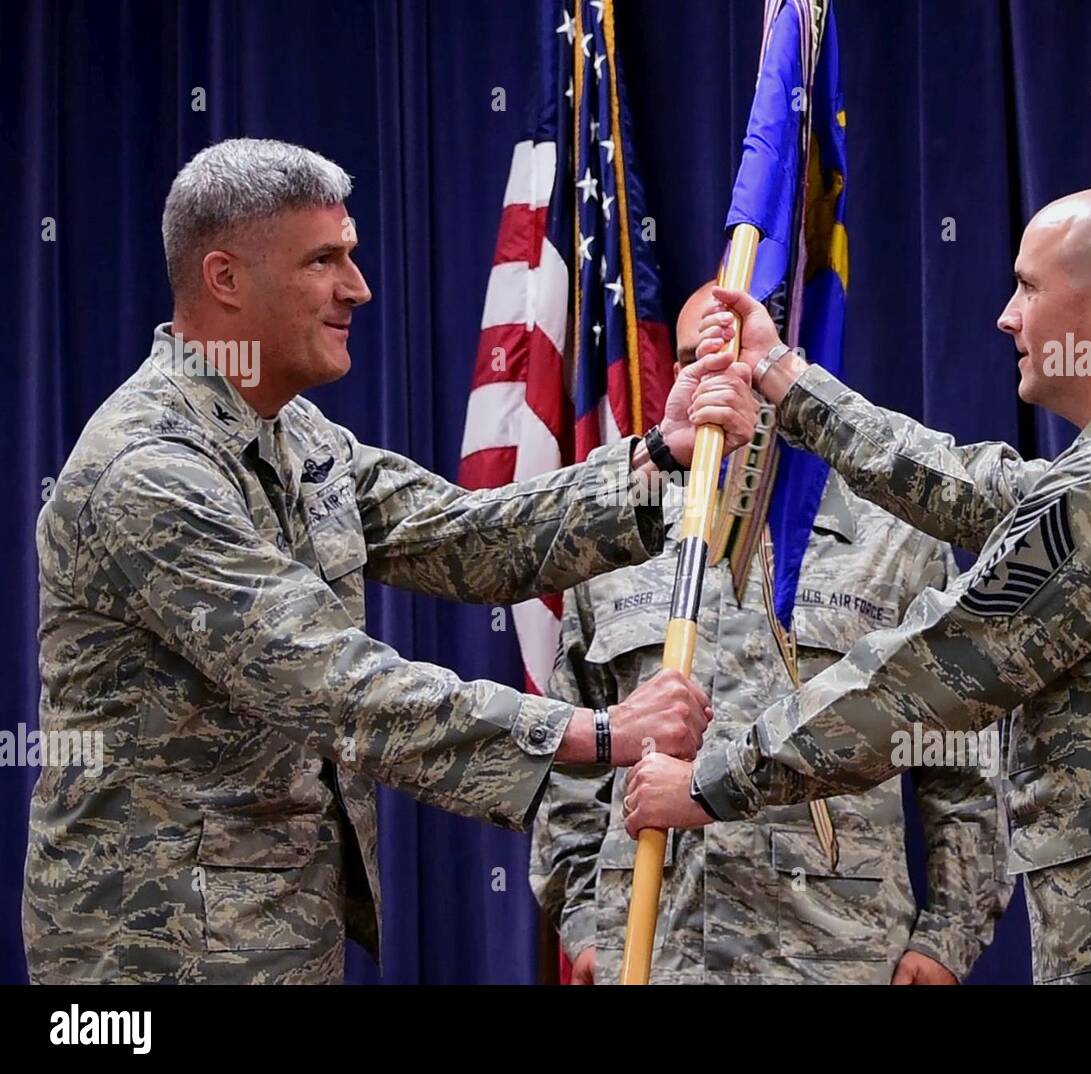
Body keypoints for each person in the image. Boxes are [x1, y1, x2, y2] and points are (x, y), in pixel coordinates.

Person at [24, 138, 756, 984]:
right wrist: (593, 732)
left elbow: (467, 536)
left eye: (354, 255)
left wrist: (656, 457)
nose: (358, 288)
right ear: (226, 278)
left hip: (273, 932)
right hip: (146, 953)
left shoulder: (293, 432)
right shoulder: (147, 472)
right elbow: (331, 681)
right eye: (324, 260)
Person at [625, 184, 1091, 984]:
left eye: (1029, 287)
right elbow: (967, 485)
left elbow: (926, 680)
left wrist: (708, 783)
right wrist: (782, 375)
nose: (1007, 316)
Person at [530, 283, 1011, 985]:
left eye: (739, 362)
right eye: (696, 359)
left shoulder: (896, 542)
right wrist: (584, 926)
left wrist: (946, 939)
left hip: (835, 954)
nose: (713, 382)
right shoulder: (619, 539)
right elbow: (572, 749)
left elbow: (963, 764)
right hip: (655, 952)